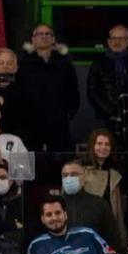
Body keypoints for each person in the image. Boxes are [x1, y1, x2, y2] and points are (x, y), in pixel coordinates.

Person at [17, 23, 79, 155]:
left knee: (59, 163)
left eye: (48, 34)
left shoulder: (65, 64)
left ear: (53, 39)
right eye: (40, 34)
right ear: (33, 39)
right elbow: (18, 92)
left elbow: (73, 92)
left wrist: (68, 113)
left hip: (58, 124)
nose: (44, 37)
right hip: (30, 125)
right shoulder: (23, 64)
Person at [58, 159, 125, 254]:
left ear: (84, 178)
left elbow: (113, 239)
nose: (69, 178)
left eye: (74, 174)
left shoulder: (99, 204)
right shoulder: (55, 206)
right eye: (65, 175)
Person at [87, 24, 128, 125]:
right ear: (108, 42)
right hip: (105, 117)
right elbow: (92, 91)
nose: (117, 42)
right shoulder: (98, 63)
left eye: (121, 39)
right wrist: (109, 109)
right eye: (114, 38)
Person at [82, 129, 126, 240]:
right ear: (92, 146)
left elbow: (118, 214)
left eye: (107, 144)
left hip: (108, 230)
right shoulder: (81, 172)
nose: (103, 147)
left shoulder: (114, 176)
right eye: (99, 143)